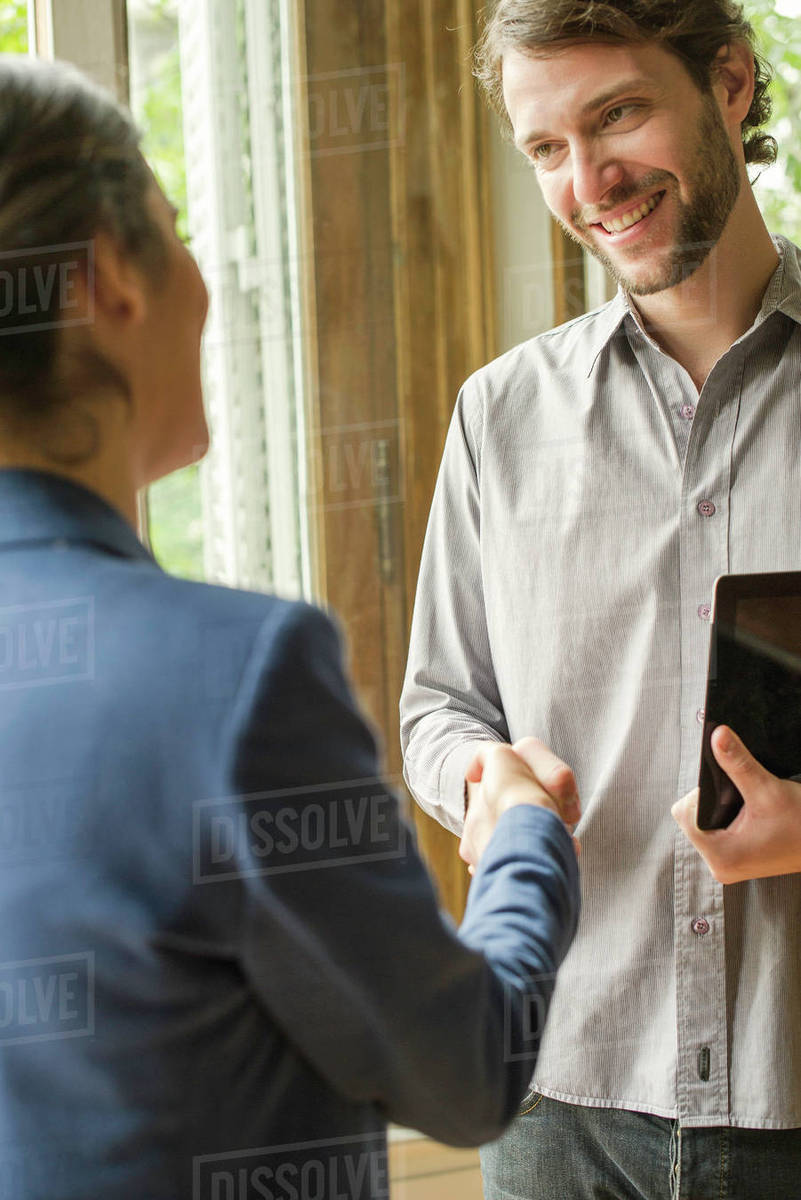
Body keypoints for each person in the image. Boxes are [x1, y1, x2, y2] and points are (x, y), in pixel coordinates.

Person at [0, 54, 580, 1198]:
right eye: (175, 231)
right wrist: (523, 830)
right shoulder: (237, 678)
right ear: (111, 275)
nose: (204, 283)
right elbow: (464, 1073)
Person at [400, 1, 801, 1196]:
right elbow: (438, 709)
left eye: (618, 113)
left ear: (729, 82)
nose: (590, 182)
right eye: (546, 149)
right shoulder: (498, 420)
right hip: (556, 1113)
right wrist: (484, 783)